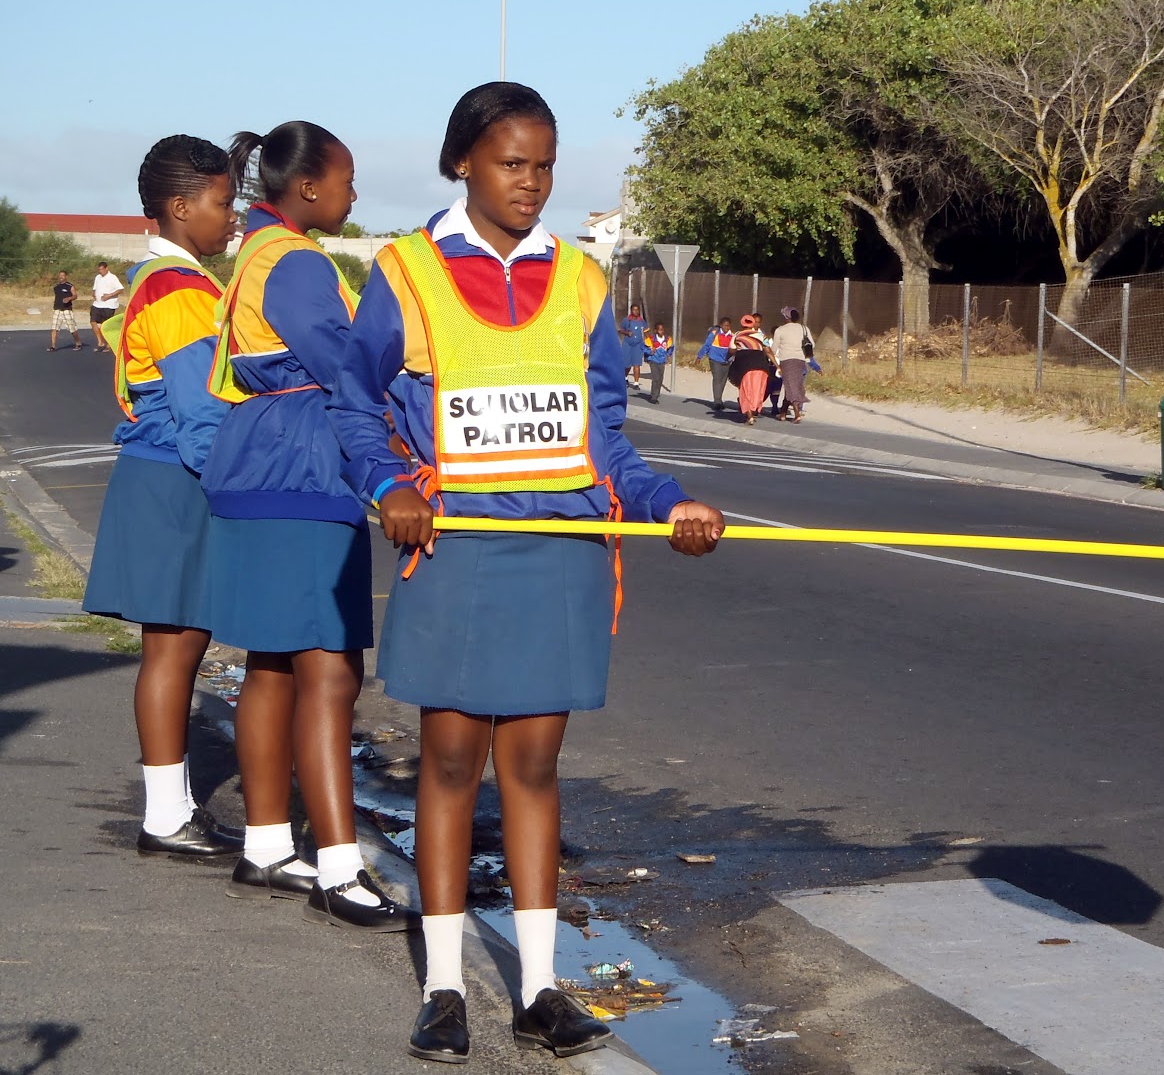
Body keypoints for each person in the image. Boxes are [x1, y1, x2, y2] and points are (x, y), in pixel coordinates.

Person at [328, 82, 725, 1063]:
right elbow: (352, 402)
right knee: (452, 764)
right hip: (455, 548)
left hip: (559, 552)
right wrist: (387, 483)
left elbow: (608, 440)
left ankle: (541, 987)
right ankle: (444, 989)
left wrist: (665, 501)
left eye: (544, 165)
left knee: (533, 770)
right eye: (512, 163)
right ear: (463, 160)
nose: (531, 184)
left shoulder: (583, 282)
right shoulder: (407, 272)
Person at [201, 122, 408, 926]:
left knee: (274, 665)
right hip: (302, 468)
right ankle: (339, 867)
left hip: (259, 466)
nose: (356, 196)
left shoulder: (254, 251)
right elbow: (347, 365)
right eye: (349, 181)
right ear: (310, 188)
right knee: (330, 669)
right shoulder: (295, 262)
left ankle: (265, 845)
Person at [82, 134, 243, 860]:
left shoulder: (153, 275)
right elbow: (199, 410)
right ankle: (163, 816)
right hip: (176, 477)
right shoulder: (179, 288)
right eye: (221, 203)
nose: (231, 217)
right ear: (180, 207)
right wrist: (235, 488)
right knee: (175, 650)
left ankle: (171, 808)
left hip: (156, 474)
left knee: (176, 647)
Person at [728, 314, 774, 425]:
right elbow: (768, 351)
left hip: (745, 367)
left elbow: (731, 350)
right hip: (761, 367)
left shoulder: (737, 335)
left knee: (745, 391)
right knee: (757, 391)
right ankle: (752, 412)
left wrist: (739, 349)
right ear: (753, 323)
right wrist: (777, 366)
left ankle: (749, 416)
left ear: (742, 323)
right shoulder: (762, 336)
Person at [771, 306, 813, 422]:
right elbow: (811, 344)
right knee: (793, 386)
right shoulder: (804, 328)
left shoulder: (780, 330)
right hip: (800, 361)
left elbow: (774, 349)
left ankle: (797, 414)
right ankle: (783, 413)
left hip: (787, 361)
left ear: (786, 317)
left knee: (791, 387)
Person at [695, 316, 735, 409]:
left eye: (728, 326)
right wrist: (699, 356)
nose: (726, 328)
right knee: (717, 379)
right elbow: (706, 345)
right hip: (715, 360)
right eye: (725, 326)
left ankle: (719, 399)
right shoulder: (714, 334)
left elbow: (735, 348)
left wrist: (733, 358)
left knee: (723, 381)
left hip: (727, 361)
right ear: (721, 326)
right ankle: (717, 401)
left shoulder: (732, 336)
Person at [751, 310, 783, 417]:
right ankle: (752, 405)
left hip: (777, 367)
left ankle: (774, 406)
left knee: (776, 388)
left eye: (758, 322)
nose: (756, 324)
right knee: (764, 388)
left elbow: (770, 352)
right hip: (764, 365)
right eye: (754, 322)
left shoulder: (762, 335)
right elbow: (768, 352)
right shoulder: (767, 341)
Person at [90, 261, 124, 352]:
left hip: (109, 305)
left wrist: (109, 295)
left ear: (106, 268)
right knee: (93, 322)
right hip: (97, 304)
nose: (100, 271)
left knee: (105, 325)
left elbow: (120, 289)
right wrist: (94, 293)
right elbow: (95, 288)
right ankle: (100, 342)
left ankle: (109, 343)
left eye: (102, 269)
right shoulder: (98, 277)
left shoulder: (112, 278)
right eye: (99, 269)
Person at [48, 270, 82, 351]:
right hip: (57, 310)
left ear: (66, 276)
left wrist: (69, 298)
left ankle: (78, 343)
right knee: (54, 328)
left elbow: (75, 296)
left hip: (67, 310)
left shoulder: (70, 286)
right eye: (60, 275)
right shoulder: (56, 287)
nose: (61, 277)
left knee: (72, 328)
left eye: (62, 275)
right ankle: (53, 346)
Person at [643, 320, 673, 403]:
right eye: (659, 330)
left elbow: (671, 348)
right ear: (656, 330)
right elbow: (644, 348)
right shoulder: (651, 339)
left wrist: (669, 354)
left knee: (660, 378)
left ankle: (657, 393)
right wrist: (649, 352)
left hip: (662, 361)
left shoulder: (667, 339)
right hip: (653, 360)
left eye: (662, 329)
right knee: (655, 378)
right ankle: (653, 397)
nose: (661, 331)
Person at [618, 302, 647, 387]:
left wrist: (650, 344)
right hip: (628, 344)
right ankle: (625, 377)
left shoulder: (642, 321)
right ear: (631, 311)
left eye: (637, 310)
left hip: (638, 345)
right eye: (634, 310)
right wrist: (627, 332)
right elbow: (620, 329)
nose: (635, 311)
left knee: (636, 364)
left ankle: (636, 383)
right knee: (627, 364)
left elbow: (646, 331)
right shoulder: (627, 320)